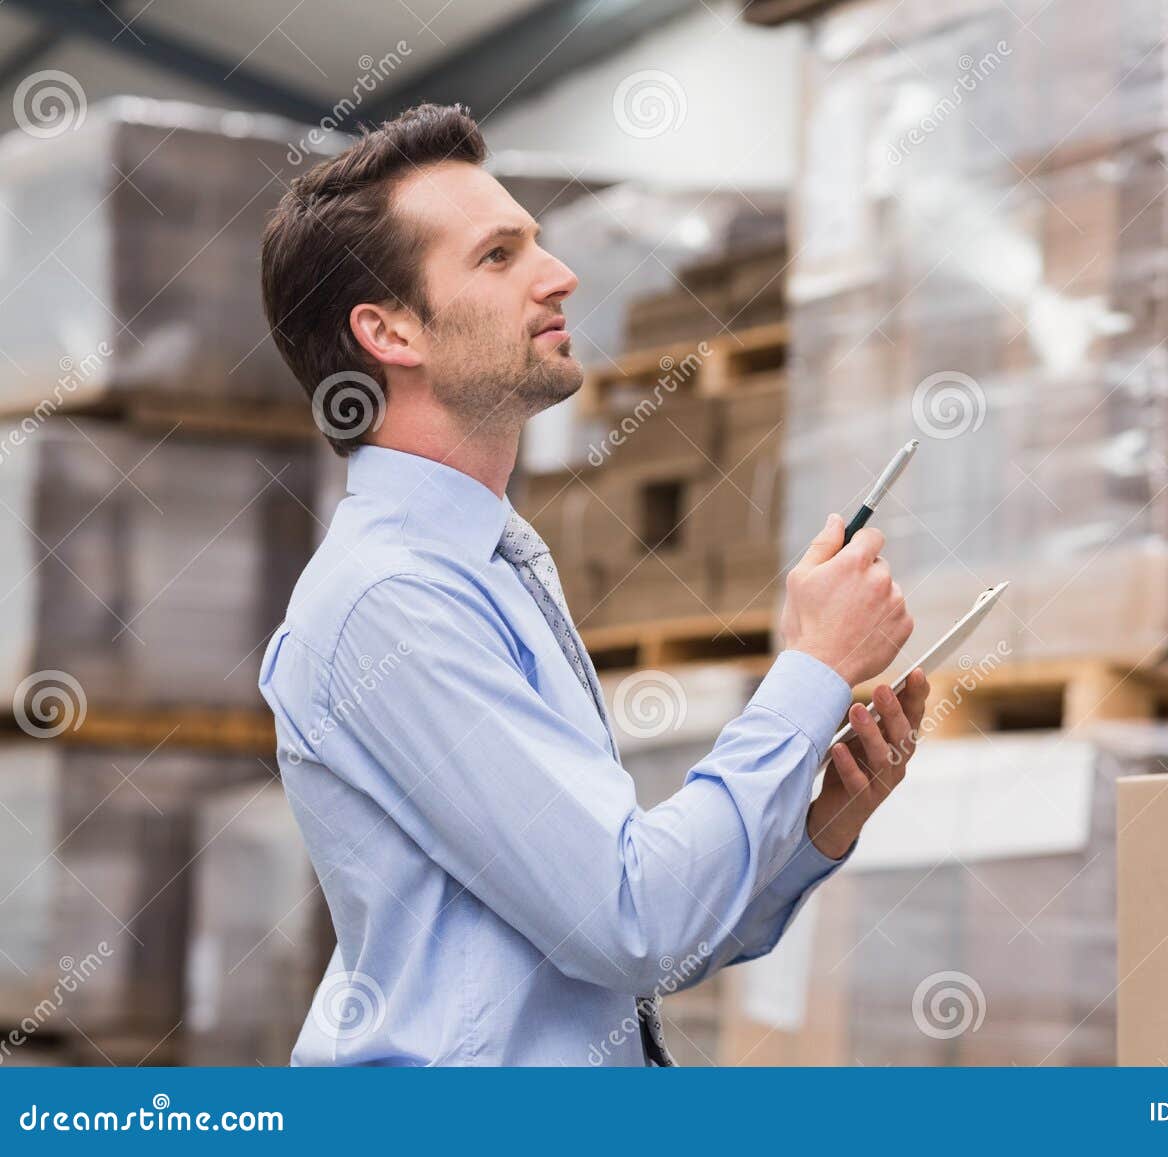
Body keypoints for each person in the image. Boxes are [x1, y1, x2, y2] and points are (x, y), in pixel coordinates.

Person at [256, 103, 928, 1066]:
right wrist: (813, 668)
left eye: (538, 243)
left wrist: (815, 828)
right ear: (390, 331)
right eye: (499, 256)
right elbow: (632, 916)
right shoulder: (390, 603)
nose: (557, 274)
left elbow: (634, 954)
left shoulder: (495, 566)